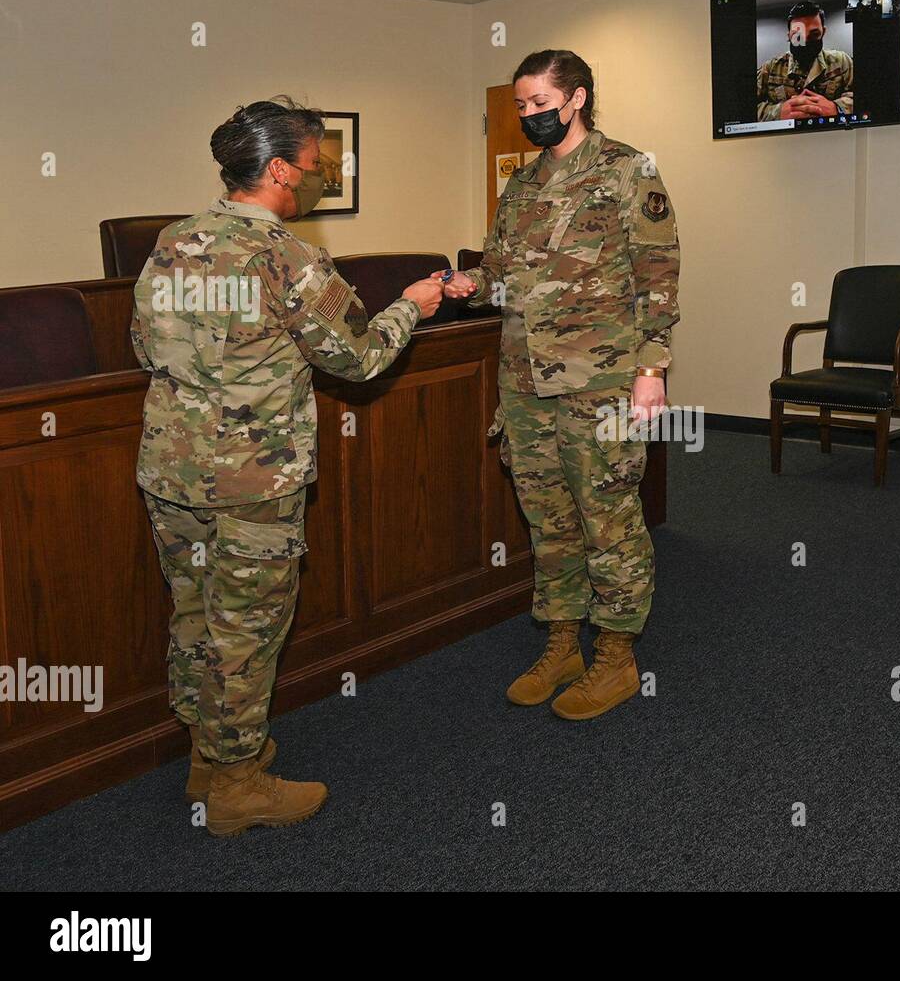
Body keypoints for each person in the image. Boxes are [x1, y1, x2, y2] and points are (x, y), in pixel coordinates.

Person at [132, 97, 444, 835]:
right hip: (252, 481)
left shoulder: (173, 240)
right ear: (277, 170)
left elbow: (145, 348)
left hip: (172, 471)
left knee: (194, 617)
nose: (320, 181)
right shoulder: (289, 257)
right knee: (247, 631)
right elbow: (358, 358)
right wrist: (412, 307)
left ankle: (207, 757)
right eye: (315, 168)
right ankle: (238, 787)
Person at [442, 49, 680, 721]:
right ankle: (562, 640)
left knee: (608, 517)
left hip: (599, 379)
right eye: (521, 107)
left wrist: (651, 371)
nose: (529, 117)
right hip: (523, 380)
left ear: (577, 99)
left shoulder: (630, 170)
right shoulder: (520, 185)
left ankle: (616, 656)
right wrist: (470, 285)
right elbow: (500, 273)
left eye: (540, 105)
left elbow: (658, 276)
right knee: (547, 518)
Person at [756, 1, 854, 122]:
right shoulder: (770, 68)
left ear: (823, 32)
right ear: (789, 36)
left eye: (814, 34)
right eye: (798, 36)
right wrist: (778, 112)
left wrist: (837, 109)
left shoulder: (842, 62)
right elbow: (744, 108)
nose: (806, 41)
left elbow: (864, 97)